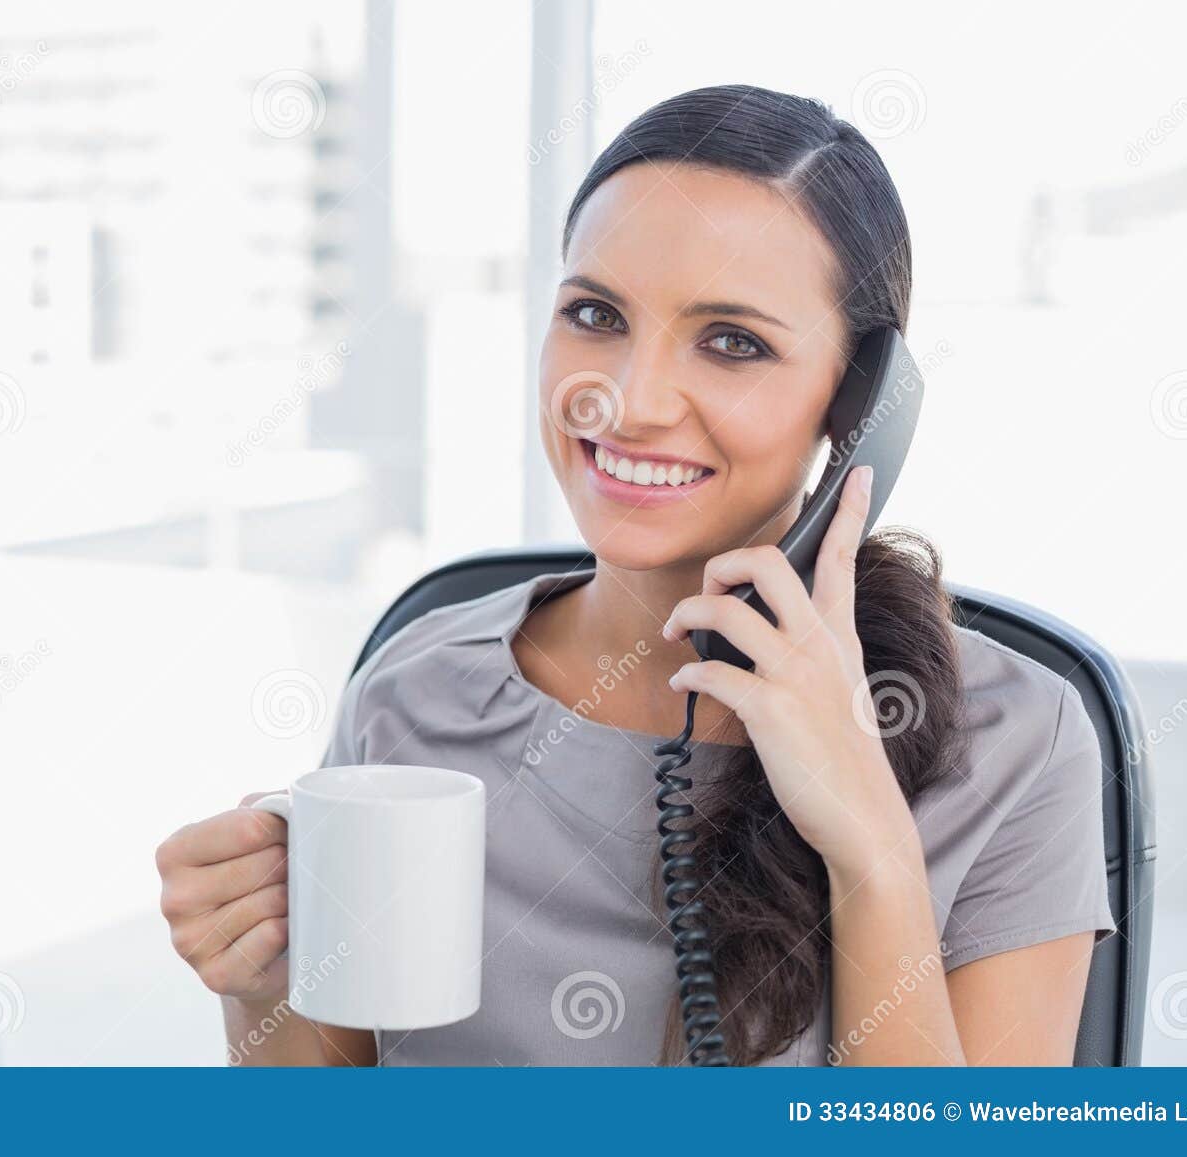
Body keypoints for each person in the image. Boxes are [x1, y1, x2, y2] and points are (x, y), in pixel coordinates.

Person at [155, 83, 1117, 1067]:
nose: (628, 400)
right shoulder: (417, 693)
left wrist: (870, 848)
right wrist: (266, 977)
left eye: (732, 341)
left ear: (860, 402)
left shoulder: (1013, 741)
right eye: (594, 313)